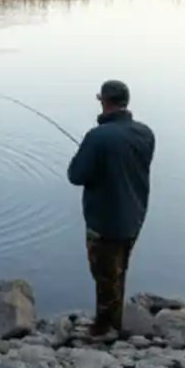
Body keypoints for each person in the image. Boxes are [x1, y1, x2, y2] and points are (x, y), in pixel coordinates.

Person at [67, 79, 155, 341]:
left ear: (105, 102)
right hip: (134, 215)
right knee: (119, 270)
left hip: (104, 220)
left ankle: (104, 329)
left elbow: (76, 175)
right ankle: (112, 322)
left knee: (104, 275)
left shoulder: (97, 137)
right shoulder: (145, 133)